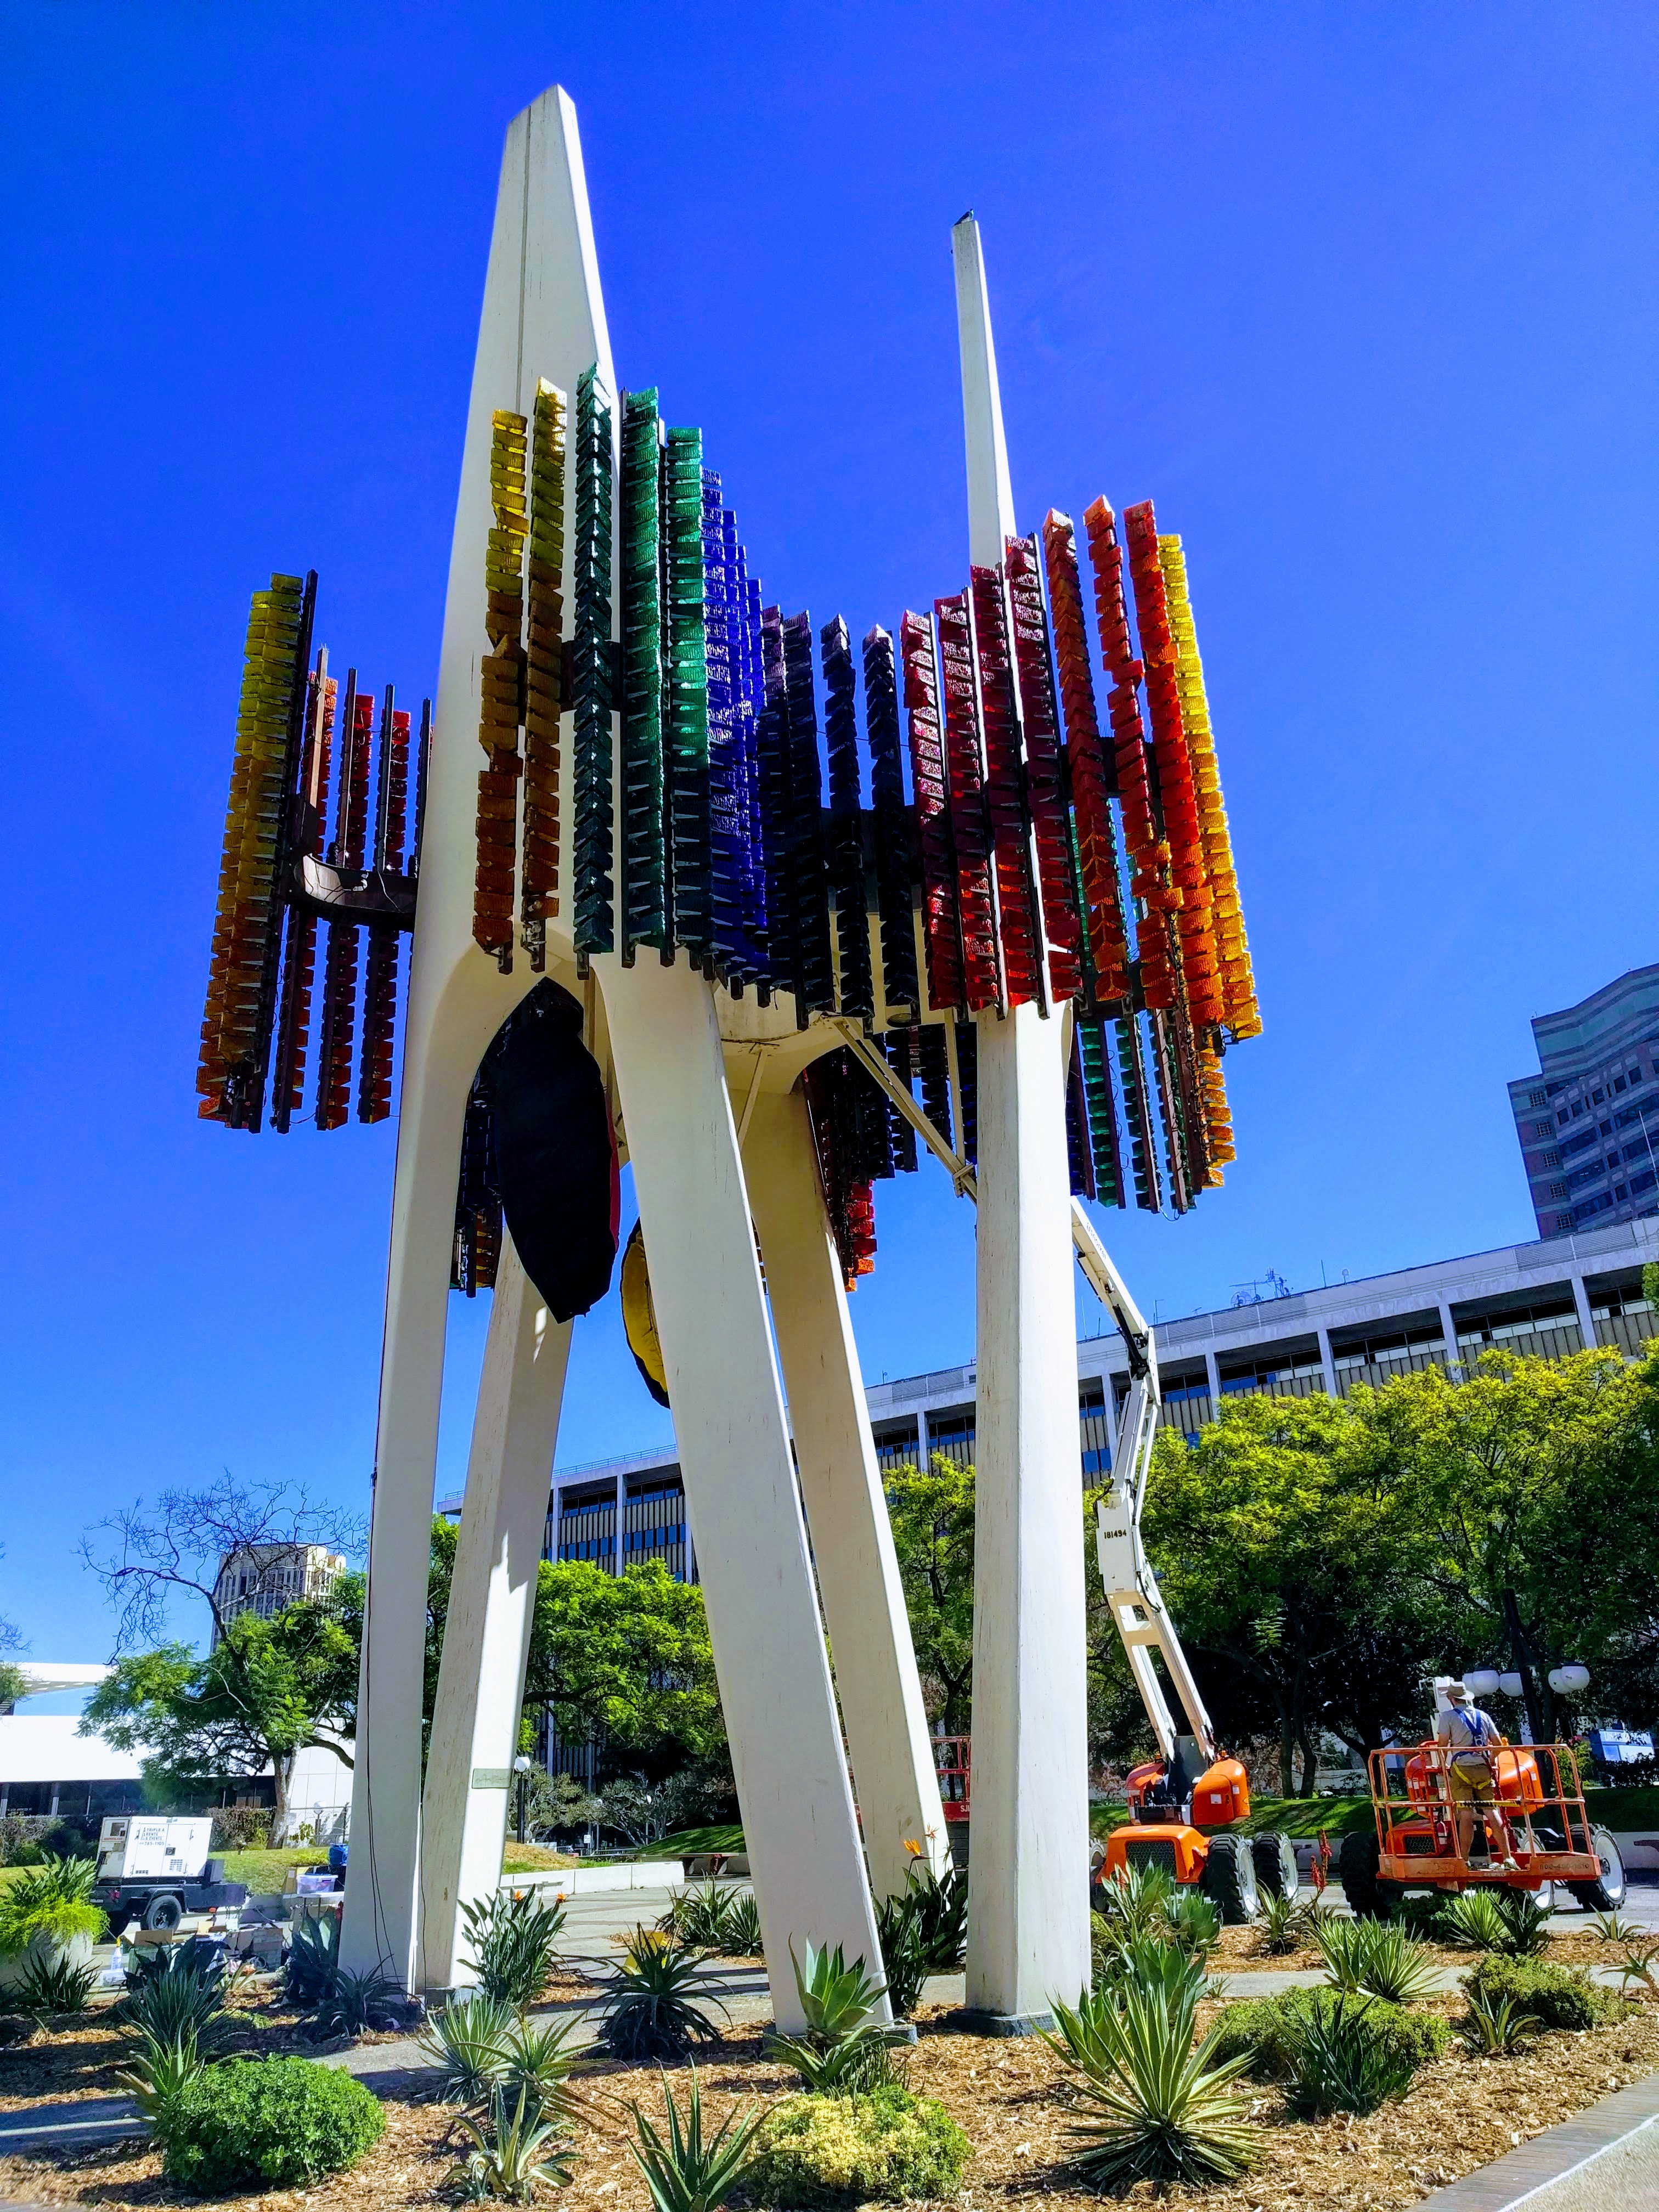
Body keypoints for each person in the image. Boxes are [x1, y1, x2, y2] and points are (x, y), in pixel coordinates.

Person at [1436, 1680, 1517, 1869]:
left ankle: (1464, 1860)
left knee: (1466, 1815)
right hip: (1483, 1769)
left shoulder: (1448, 1717)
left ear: (1451, 1699)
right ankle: (1508, 1858)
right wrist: (1490, 1760)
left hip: (1461, 1769)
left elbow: (1442, 1745)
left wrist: (1443, 1766)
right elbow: (1497, 1745)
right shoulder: (1483, 1716)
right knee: (1491, 1810)